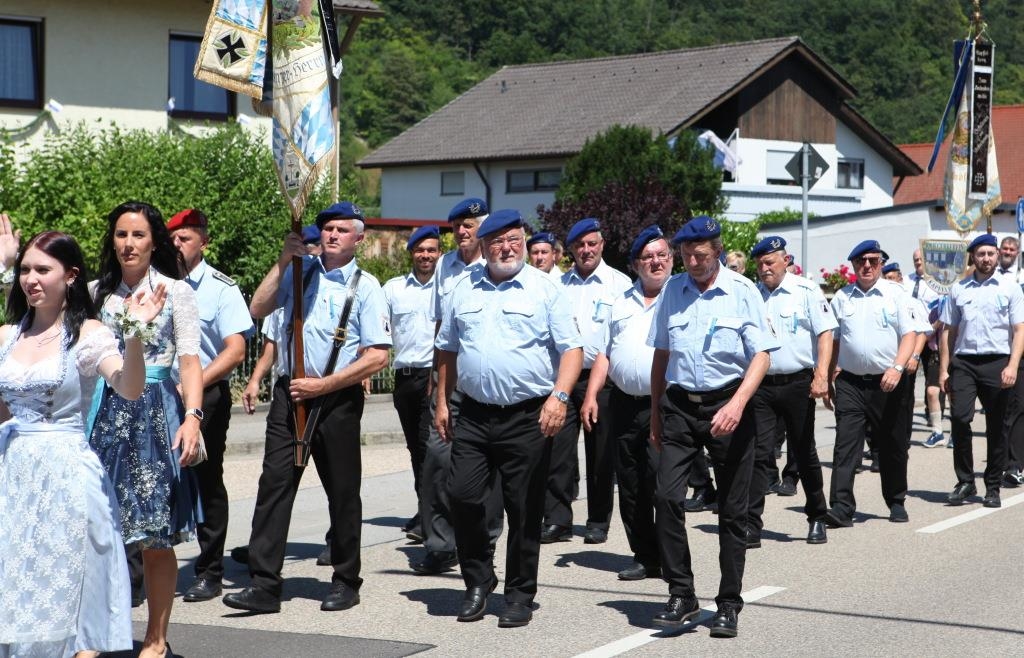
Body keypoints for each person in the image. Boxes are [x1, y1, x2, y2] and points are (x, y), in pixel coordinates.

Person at [0, 230, 163, 658]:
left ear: (70, 276)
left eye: (43, 269)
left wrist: (134, 336)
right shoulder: (7, 335)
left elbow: (128, 387)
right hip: (12, 473)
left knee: (63, 579)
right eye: (25, 270)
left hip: (65, 473)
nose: (31, 279)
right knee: (17, 580)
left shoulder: (87, 334)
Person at [223, 201, 391, 614]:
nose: (332, 234)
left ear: (359, 239)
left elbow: (377, 356)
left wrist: (326, 384)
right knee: (274, 485)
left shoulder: (367, 287)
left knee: (343, 491)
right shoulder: (300, 272)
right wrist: (284, 259)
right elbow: (256, 308)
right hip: (291, 394)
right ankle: (264, 584)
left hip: (336, 397)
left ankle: (346, 580)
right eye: (327, 228)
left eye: (341, 229)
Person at [435, 208, 583, 628]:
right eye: (497, 241)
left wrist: (559, 397)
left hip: (528, 415)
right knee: (462, 496)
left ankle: (519, 594)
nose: (507, 248)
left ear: (524, 241)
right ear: (483, 247)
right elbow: (447, 349)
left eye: (514, 240)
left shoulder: (545, 288)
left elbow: (572, 350)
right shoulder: (462, 288)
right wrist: (442, 402)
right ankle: (478, 580)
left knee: (524, 508)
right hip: (474, 413)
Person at [647, 216, 778, 638]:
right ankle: (681, 592)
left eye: (700, 255)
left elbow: (762, 355)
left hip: (729, 405)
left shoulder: (742, 292)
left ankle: (728, 603)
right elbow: (661, 355)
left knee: (733, 511)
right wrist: (655, 413)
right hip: (680, 408)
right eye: (686, 255)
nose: (692, 262)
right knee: (666, 497)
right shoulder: (673, 291)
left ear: (717, 251)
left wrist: (738, 404)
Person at [89, 201, 203, 658]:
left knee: (155, 536)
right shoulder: (97, 293)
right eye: (121, 234)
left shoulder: (176, 292)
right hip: (103, 412)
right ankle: (93, 636)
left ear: (154, 242)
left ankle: (155, 639)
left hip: (157, 413)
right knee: (99, 532)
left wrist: (193, 417)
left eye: (138, 235)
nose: (128, 244)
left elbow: (190, 360)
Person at [166, 208, 255, 603]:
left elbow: (235, 350)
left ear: (203, 242)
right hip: (160, 394)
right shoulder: (158, 283)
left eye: (185, 238)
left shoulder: (221, 288)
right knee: (151, 477)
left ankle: (209, 571)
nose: (177, 245)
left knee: (205, 481)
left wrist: (193, 383)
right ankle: (140, 572)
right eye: (172, 239)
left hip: (205, 395)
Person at [416, 198, 503, 575]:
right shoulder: (445, 266)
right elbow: (441, 327)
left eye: (468, 225)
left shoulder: (499, 263)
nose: (462, 232)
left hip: (487, 379)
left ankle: (486, 539)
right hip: (451, 378)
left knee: (489, 464)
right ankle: (440, 544)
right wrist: (435, 378)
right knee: (437, 459)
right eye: (456, 227)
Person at [580, 225, 672, 581]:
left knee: (662, 484)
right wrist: (591, 395)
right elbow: (604, 352)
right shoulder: (620, 301)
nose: (655, 262)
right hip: (622, 404)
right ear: (636, 264)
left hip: (664, 404)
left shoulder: (680, 296)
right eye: (648, 257)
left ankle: (670, 555)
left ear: (671, 259)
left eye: (661, 255)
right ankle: (645, 556)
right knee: (631, 485)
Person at [543, 218, 631, 544]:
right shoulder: (558, 285)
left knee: (601, 454)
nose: (586, 250)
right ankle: (557, 520)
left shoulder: (619, 284)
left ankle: (597, 520)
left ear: (601, 245)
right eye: (580, 245)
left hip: (602, 379)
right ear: (571, 249)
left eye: (592, 243)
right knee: (558, 451)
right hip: (565, 378)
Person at [746, 236, 834, 548]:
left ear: (786, 260)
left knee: (803, 450)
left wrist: (821, 375)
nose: (764, 269)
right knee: (758, 454)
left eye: (770, 262)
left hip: (798, 383)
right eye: (760, 264)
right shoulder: (752, 295)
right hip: (762, 386)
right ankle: (751, 525)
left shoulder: (805, 290)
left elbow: (825, 332)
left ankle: (817, 516)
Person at [824, 240, 918, 528]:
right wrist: (826, 376)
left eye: (873, 261)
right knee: (845, 444)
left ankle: (896, 500)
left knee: (892, 444)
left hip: (888, 381)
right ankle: (841, 507)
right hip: (851, 382)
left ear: (880, 263)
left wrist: (898, 367)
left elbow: (910, 335)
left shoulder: (896, 294)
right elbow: (834, 341)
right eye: (861, 261)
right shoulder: (842, 298)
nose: (867, 266)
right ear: (853, 265)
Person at [939, 233, 1024, 508]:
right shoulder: (959, 289)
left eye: (990, 253)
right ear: (973, 257)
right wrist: (944, 370)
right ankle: (965, 480)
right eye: (980, 254)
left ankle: (992, 487)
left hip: (997, 363)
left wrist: (1012, 365)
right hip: (964, 363)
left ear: (997, 255)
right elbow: (948, 332)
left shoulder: (1010, 288)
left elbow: (1020, 330)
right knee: (959, 418)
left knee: (996, 427)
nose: (986, 258)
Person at [382, 225, 440, 553]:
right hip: (404, 379)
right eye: (420, 250)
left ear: (439, 253)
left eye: (431, 250)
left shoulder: (446, 288)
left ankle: (431, 517)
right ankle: (425, 509)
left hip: (434, 377)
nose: (425, 255)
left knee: (430, 447)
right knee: (416, 450)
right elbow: (376, 329)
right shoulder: (393, 289)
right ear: (412, 254)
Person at [910, 249, 947, 448]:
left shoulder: (940, 283)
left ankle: (949, 431)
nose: (918, 262)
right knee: (910, 387)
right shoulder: (907, 281)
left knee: (937, 389)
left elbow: (945, 312)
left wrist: (931, 330)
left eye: (921, 259)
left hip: (935, 341)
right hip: (913, 340)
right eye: (915, 259)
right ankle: (933, 430)